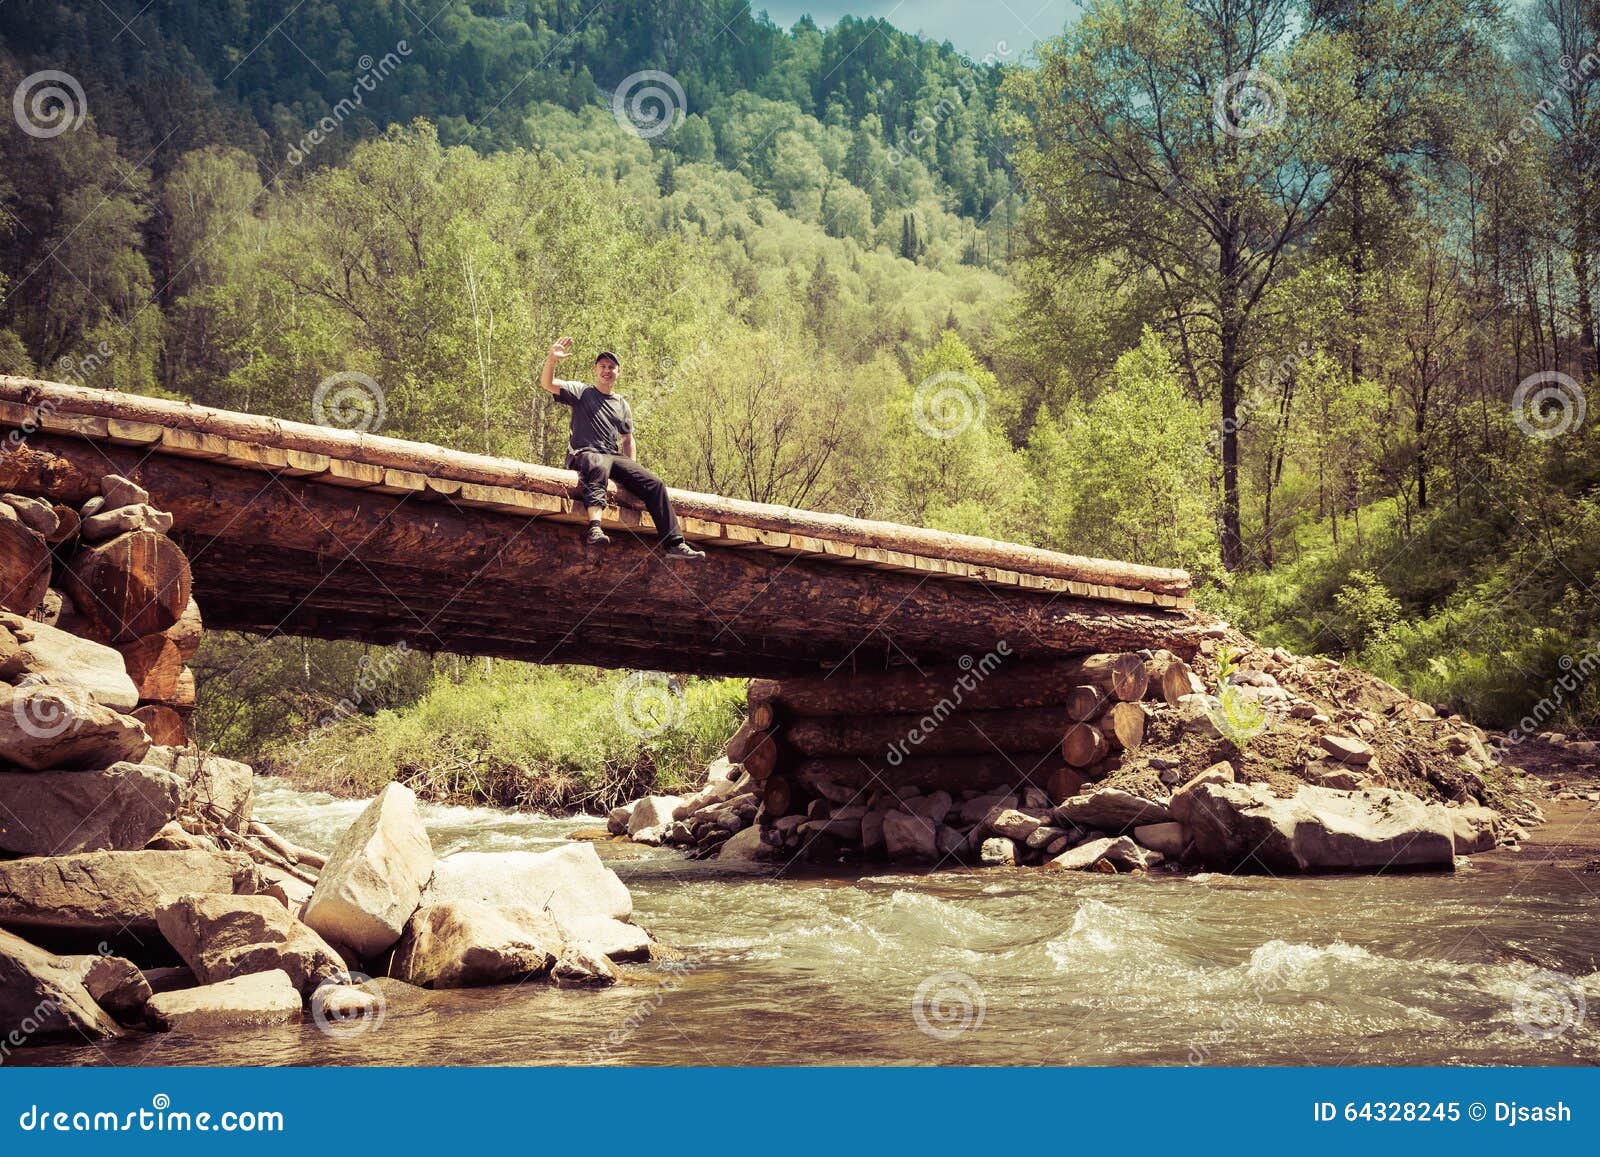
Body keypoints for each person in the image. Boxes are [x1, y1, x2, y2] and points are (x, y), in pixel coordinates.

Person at [538, 336, 705, 560]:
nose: (606, 370)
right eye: (602, 366)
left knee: (655, 484)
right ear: (595, 370)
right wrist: (552, 359)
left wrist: (632, 471)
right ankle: (595, 527)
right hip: (585, 452)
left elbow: (628, 439)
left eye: (611, 367)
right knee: (598, 465)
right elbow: (547, 384)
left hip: (613, 456)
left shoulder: (621, 404)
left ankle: (674, 544)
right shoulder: (581, 391)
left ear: (618, 372)